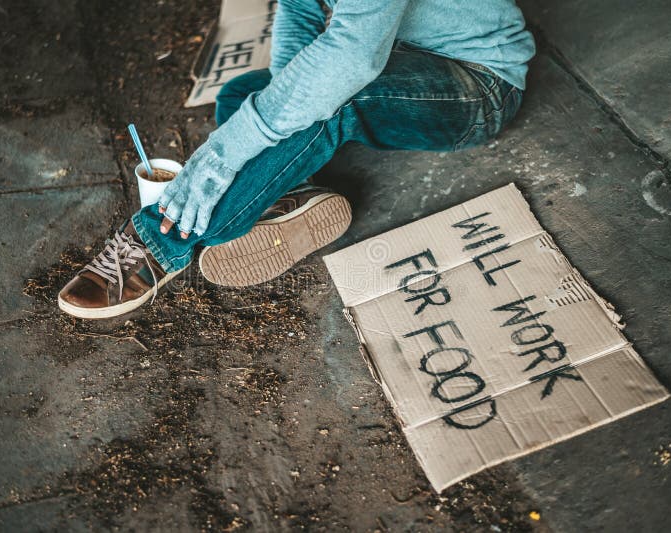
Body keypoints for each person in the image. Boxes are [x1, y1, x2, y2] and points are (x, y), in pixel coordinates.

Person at [58, 0, 535, 320]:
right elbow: (300, 8)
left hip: (476, 82)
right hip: (396, 53)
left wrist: (226, 153)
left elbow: (352, 55)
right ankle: (290, 193)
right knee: (247, 93)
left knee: (333, 99)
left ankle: (159, 244)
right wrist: (282, 111)